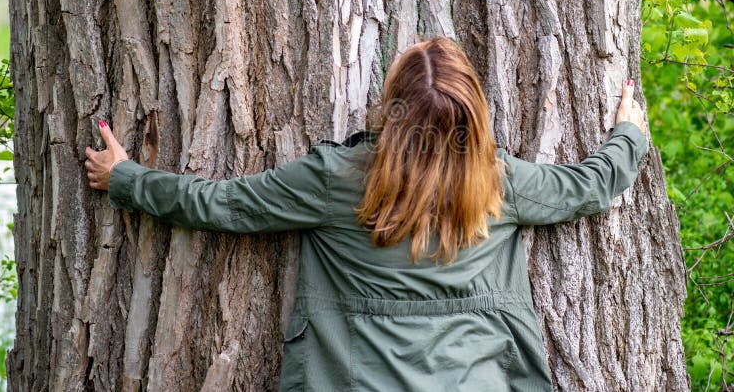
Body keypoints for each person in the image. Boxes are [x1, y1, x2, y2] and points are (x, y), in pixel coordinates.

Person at [84, 37, 648, 391]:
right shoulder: (499, 184)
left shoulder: (337, 180)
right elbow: (589, 187)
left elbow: (223, 204)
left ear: (393, 108)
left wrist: (128, 179)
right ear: (474, 117)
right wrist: (628, 135)